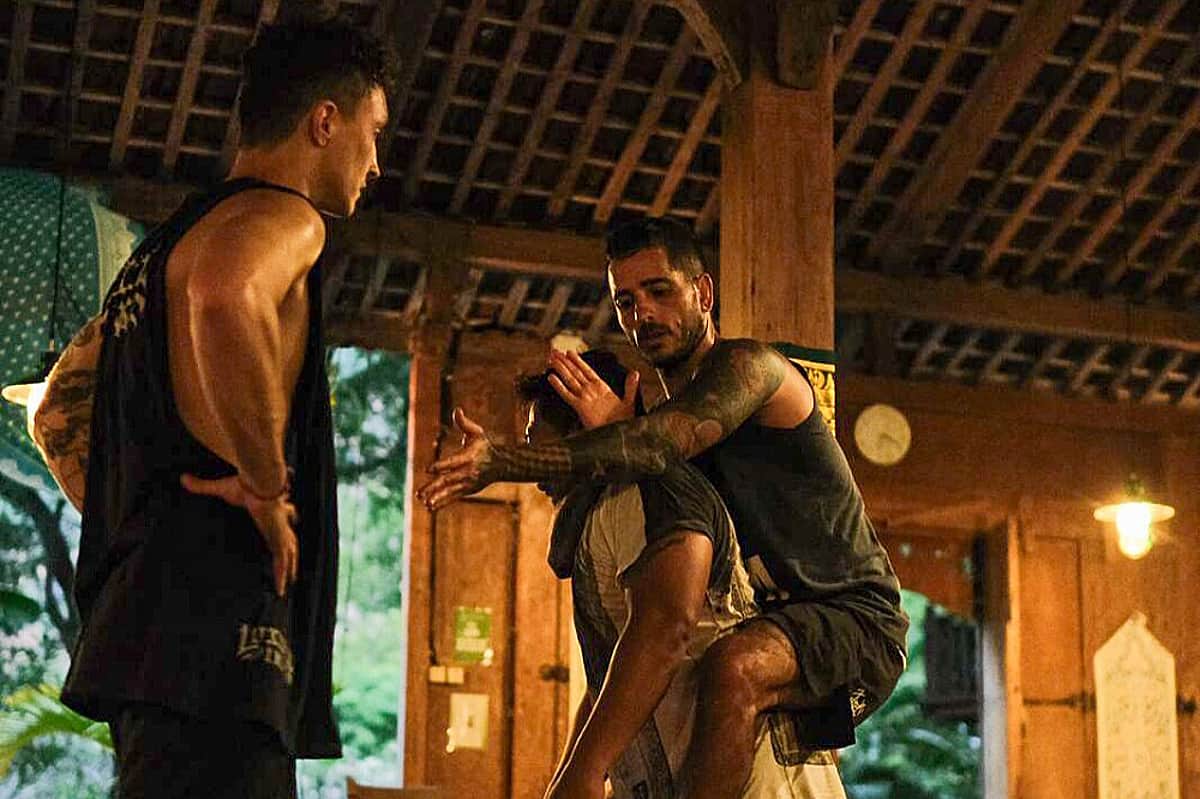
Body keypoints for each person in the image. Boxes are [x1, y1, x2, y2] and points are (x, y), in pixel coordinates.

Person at [418, 218, 908, 798]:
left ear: (703, 293)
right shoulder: (657, 457)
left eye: (659, 291)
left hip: (858, 619)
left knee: (735, 667)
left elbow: (660, 444)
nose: (642, 313)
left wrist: (504, 461)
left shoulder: (754, 368)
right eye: (625, 302)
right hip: (777, 625)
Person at [50, 16, 394, 798]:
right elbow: (227, 293)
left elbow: (58, 409)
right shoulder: (284, 216)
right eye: (373, 133)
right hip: (220, 637)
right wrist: (265, 486)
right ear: (325, 121)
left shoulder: (163, 247)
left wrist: (149, 512)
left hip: (148, 631)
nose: (376, 163)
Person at [519, 350, 844, 799]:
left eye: (535, 437)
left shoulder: (644, 490)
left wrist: (586, 769)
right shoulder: (604, 511)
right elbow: (610, 674)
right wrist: (571, 773)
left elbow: (664, 628)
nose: (530, 460)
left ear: (577, 435)